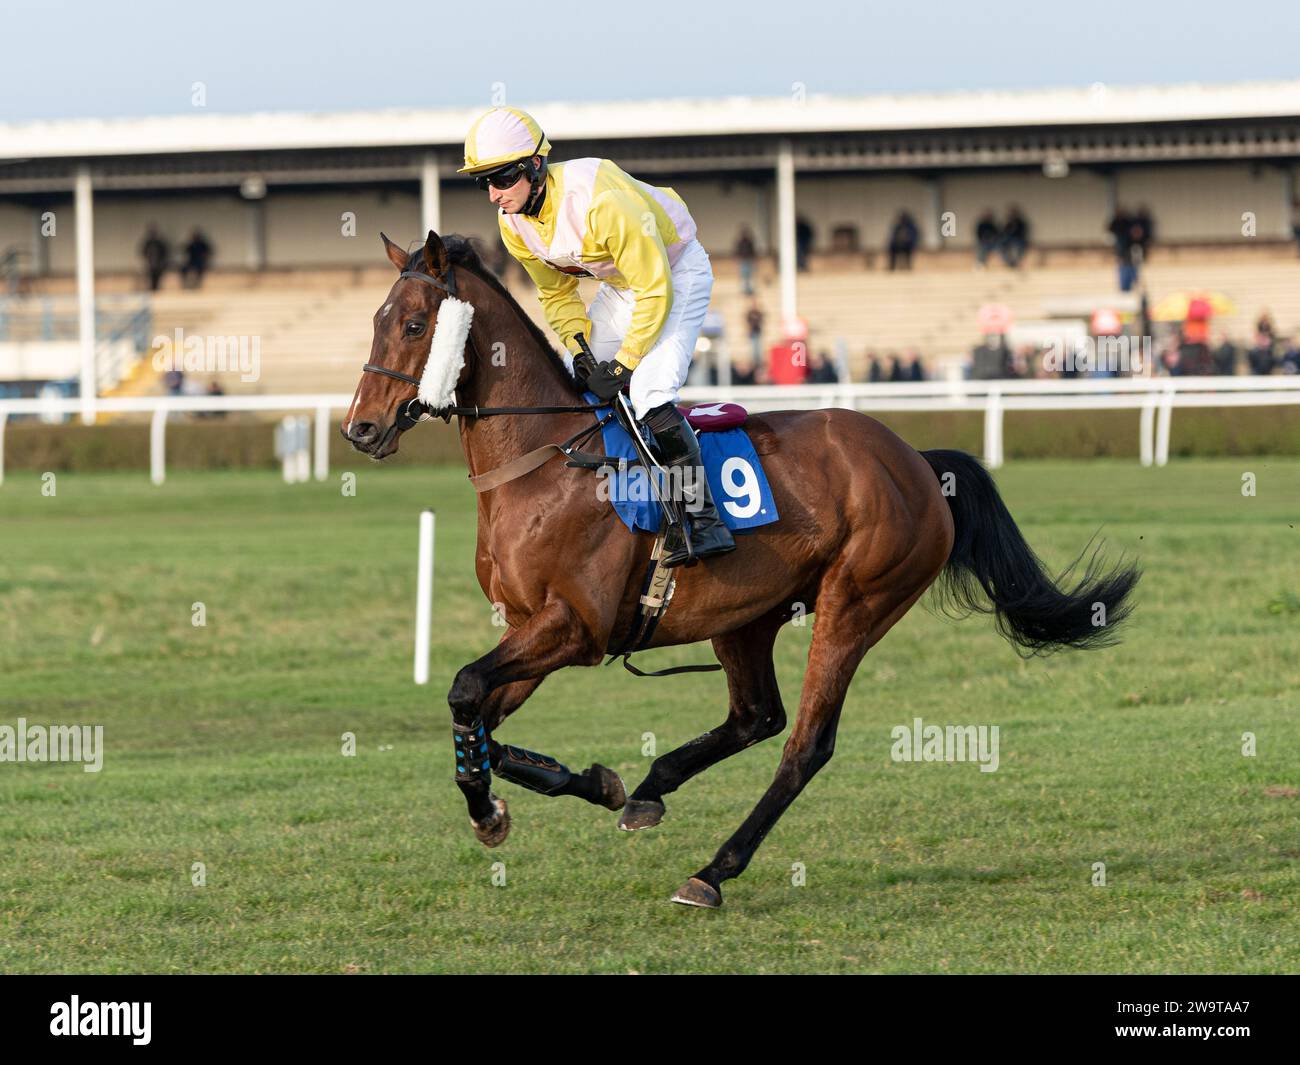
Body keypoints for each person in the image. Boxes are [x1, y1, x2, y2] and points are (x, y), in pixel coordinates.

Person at [460, 106, 733, 566]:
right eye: (483, 182)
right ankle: (605, 493)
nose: (493, 195)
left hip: (675, 275)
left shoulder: (600, 202)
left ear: (534, 167)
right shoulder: (515, 225)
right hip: (625, 286)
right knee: (572, 378)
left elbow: (654, 288)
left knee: (648, 393)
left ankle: (703, 520)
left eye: (501, 179)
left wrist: (624, 365)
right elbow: (557, 294)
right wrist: (581, 349)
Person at [139, 225, 169, 291]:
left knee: (157, 280)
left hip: (159, 265)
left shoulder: (160, 243)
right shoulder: (147, 243)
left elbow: (165, 253)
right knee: (150, 279)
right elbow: (143, 252)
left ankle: (156, 290)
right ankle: (151, 290)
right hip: (150, 264)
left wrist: (161, 262)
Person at [734, 226, 757, 295]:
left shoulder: (749, 242)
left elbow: (753, 251)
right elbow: (737, 251)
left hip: (749, 260)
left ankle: (750, 289)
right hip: (743, 261)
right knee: (744, 276)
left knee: (749, 275)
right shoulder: (740, 242)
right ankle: (744, 290)